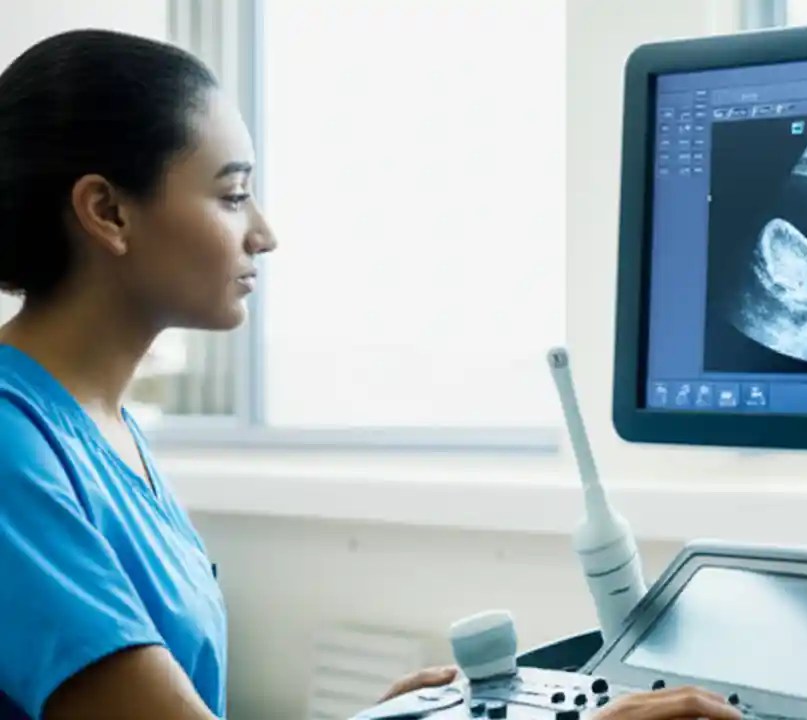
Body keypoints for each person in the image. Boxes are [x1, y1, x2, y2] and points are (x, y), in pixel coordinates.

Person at [0, 29, 741, 720]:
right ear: (107, 212)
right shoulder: (11, 446)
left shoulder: (104, 429)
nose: (264, 232)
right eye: (231, 196)